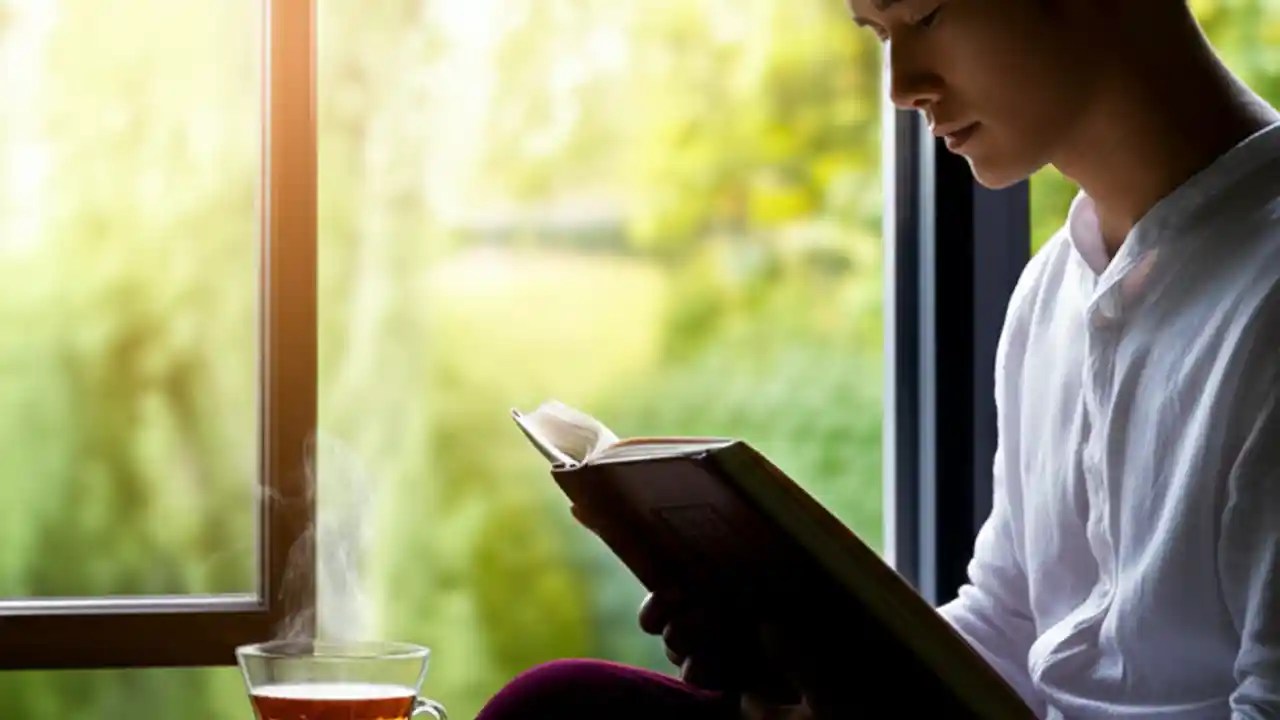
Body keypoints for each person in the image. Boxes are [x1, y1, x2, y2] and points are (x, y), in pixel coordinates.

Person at [475, 0, 1280, 717]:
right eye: (878, 34)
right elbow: (1006, 628)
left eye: (924, 17)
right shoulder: (1054, 292)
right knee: (562, 705)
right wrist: (804, 655)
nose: (900, 85)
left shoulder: (1263, 298)